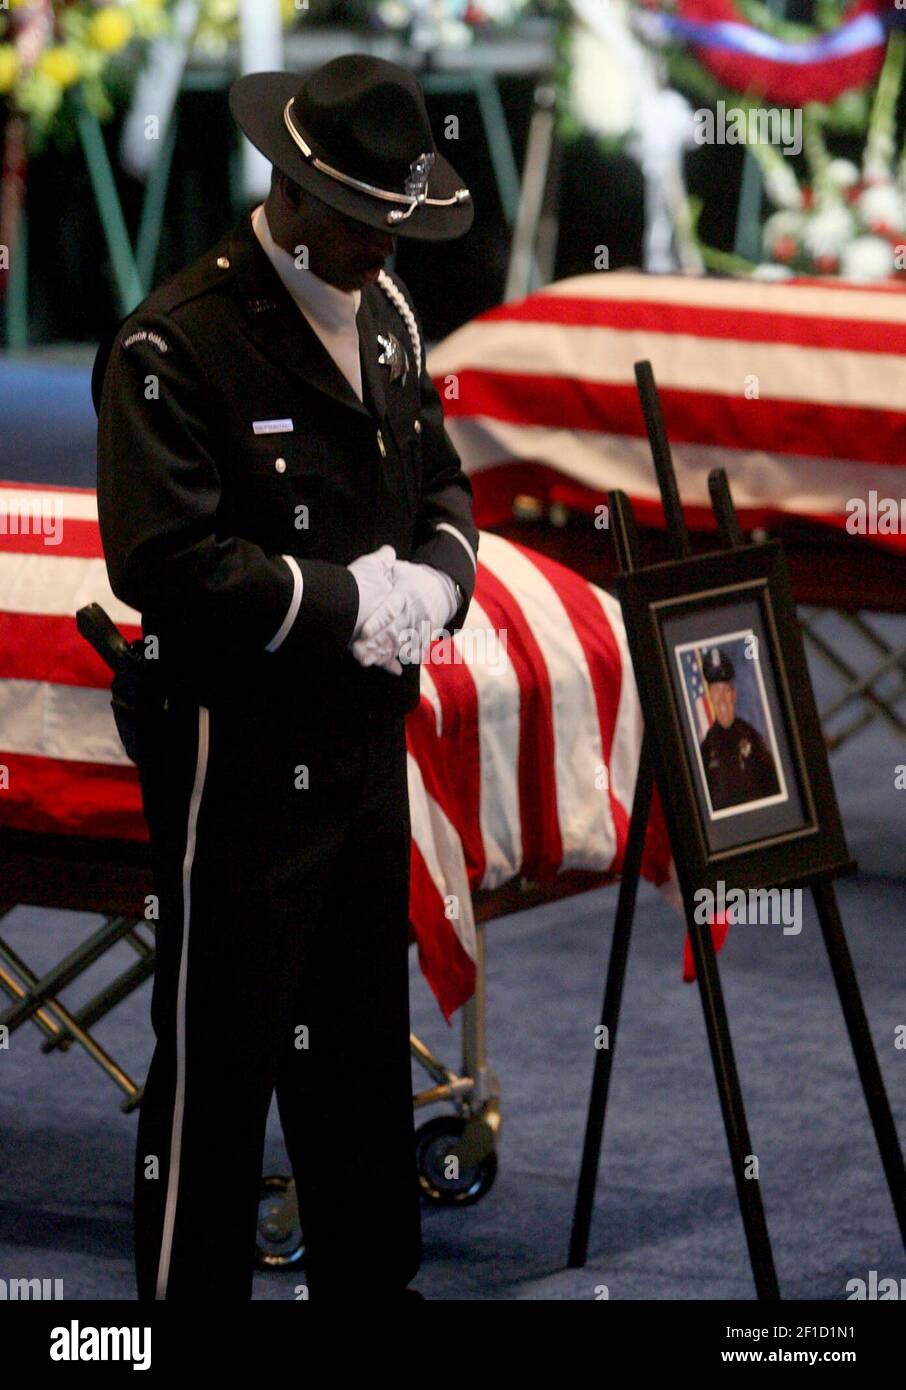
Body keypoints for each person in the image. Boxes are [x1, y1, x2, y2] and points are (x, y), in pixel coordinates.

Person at [92, 54, 479, 1302]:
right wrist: (348, 604)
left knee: (359, 1048)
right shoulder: (178, 341)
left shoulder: (392, 318)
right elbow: (165, 557)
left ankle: (372, 1288)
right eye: (365, 222)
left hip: (366, 739)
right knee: (223, 1058)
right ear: (295, 192)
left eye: (398, 223)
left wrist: (436, 584)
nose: (384, 247)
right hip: (236, 745)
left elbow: (444, 490)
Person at [700, 648, 780, 812]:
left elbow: (773, 786)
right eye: (716, 691)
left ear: (734, 694)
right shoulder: (706, 750)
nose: (721, 697)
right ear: (710, 696)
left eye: (726, 690)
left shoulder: (751, 737)